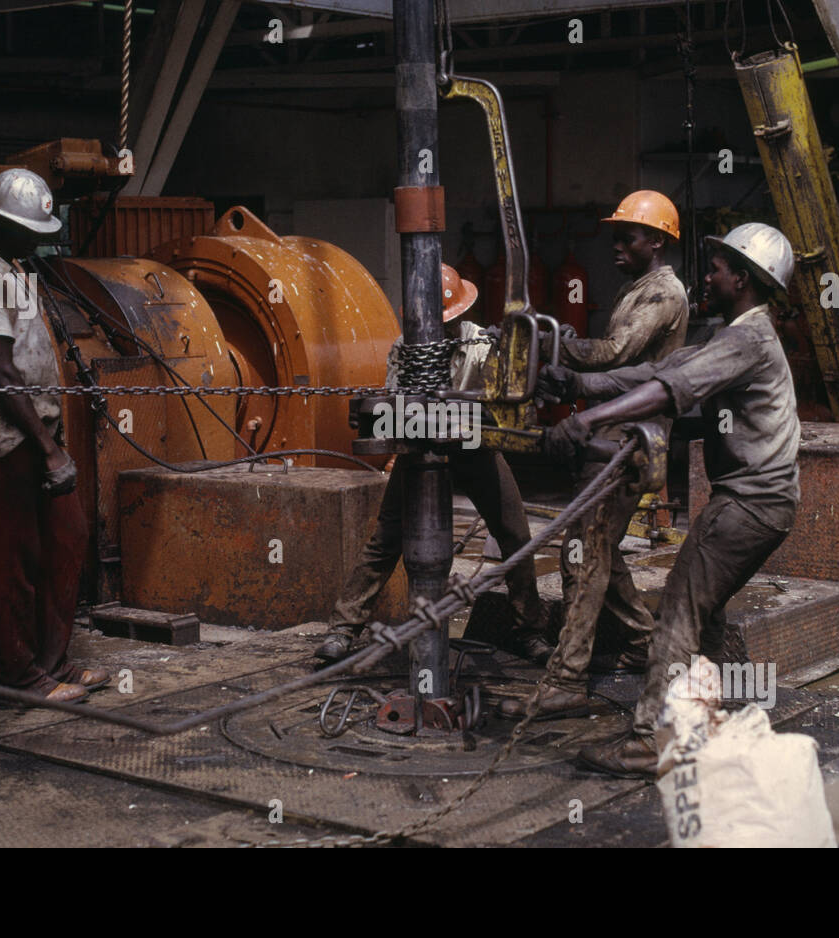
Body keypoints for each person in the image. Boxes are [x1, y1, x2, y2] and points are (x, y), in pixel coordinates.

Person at [539, 222, 801, 777]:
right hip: (763, 504)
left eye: (718, 267)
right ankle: (700, 723)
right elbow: (661, 369)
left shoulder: (748, 340)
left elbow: (665, 392)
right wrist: (579, 385)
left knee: (678, 614)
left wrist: (588, 420)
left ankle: (650, 740)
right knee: (703, 620)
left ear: (744, 278)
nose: (708, 275)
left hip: (748, 504)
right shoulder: (739, 334)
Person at [499, 191, 689, 720]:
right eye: (616, 238)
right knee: (599, 547)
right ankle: (641, 644)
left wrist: (555, 348)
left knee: (583, 550)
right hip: (612, 439)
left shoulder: (663, 295)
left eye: (627, 237)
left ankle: (566, 679)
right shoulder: (638, 290)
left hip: (629, 445)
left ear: (657, 240)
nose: (617, 247)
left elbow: (616, 355)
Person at [314, 264, 552, 665]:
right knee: (386, 541)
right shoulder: (404, 347)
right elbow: (392, 408)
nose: (438, 331)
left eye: (447, 323)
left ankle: (529, 631)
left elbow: (502, 400)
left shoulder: (480, 344)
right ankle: (343, 629)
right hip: (421, 449)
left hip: (474, 445)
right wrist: (380, 418)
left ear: (460, 315)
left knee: (515, 536)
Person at [0, 168, 108, 703]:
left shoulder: (14, 269)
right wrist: (47, 452)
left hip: (39, 432)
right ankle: (18, 677)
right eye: (31, 229)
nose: (39, 238)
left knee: (66, 540)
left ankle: (52, 663)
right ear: (1, 224)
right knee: (17, 558)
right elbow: (0, 373)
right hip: (12, 440)